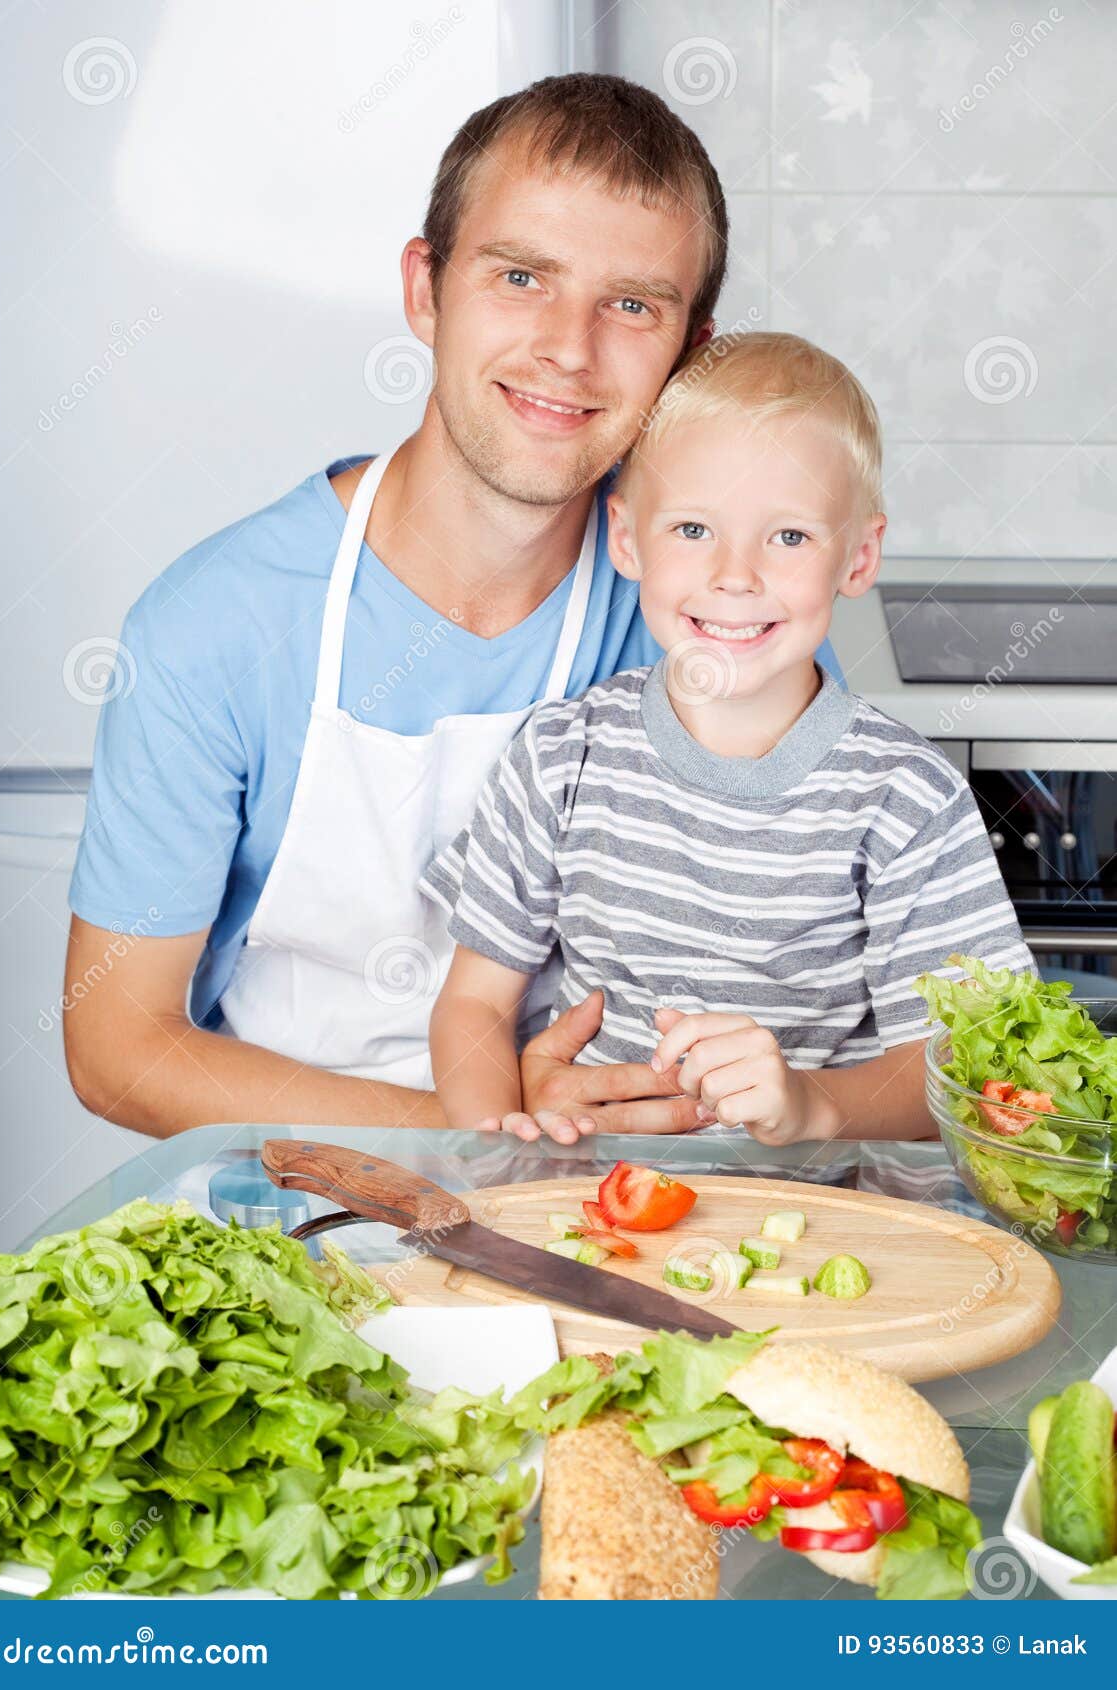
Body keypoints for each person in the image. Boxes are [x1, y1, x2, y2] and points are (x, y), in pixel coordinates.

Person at [62, 73, 840, 1140]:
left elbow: (814, 984)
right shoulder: (215, 626)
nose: (568, 348)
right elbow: (117, 1048)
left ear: (687, 355)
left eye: (630, 305)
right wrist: (484, 1129)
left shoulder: (722, 617)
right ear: (425, 291)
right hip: (304, 1202)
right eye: (520, 276)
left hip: (622, 1194)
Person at [423, 331, 1035, 1157]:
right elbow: (473, 1005)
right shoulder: (560, 755)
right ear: (626, 538)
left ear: (858, 557)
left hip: (826, 1214)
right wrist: (499, 1148)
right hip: (592, 1200)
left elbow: (966, 1065)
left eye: (789, 537)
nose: (735, 575)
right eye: (691, 528)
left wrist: (810, 1105)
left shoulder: (904, 796)